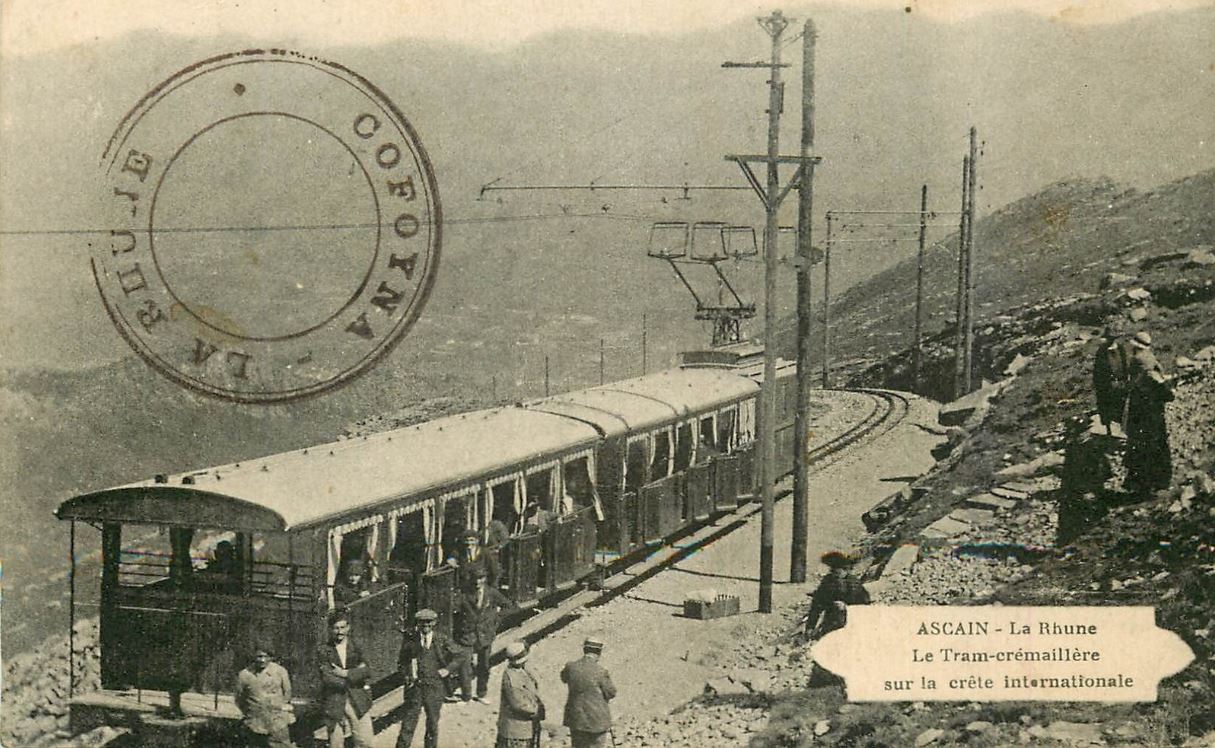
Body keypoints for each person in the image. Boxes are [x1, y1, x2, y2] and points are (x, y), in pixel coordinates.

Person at [396, 609, 459, 748]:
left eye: (429, 622)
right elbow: (401, 662)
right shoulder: (411, 640)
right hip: (415, 688)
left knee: (432, 724)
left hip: (435, 687)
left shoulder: (442, 639)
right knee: (408, 724)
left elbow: (459, 657)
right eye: (422, 622)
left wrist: (447, 670)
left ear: (434, 622)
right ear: (418, 623)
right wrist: (406, 676)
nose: (425, 625)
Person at [1123, 331, 1174, 497]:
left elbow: (1151, 380)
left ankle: (1144, 485)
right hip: (1153, 408)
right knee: (1157, 442)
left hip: (1144, 409)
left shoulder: (1139, 360)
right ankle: (1160, 481)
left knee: (1143, 444)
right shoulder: (1150, 357)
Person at [454, 569, 514, 702]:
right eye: (474, 578)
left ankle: (481, 693)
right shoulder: (464, 594)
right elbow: (454, 611)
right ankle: (466, 695)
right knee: (465, 666)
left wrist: (495, 621)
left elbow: (508, 606)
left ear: (485, 579)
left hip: (485, 635)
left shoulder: (491, 592)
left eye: (480, 578)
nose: (477, 582)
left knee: (484, 665)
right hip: (468, 635)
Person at [317, 613, 373, 748]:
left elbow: (368, 670)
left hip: (357, 699)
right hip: (335, 699)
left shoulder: (357, 645)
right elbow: (327, 677)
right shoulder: (324, 650)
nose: (339, 632)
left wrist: (345, 673)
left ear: (348, 628)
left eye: (342, 627)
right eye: (336, 628)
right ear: (330, 629)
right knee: (336, 743)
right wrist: (355, 675)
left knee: (365, 741)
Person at [234, 644, 296, 748]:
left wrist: (279, 708)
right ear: (253, 656)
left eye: (266, 657)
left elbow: (287, 693)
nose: (262, 660)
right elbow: (239, 699)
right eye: (259, 656)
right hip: (255, 722)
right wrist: (252, 712)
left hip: (277, 722)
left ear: (271, 658)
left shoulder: (280, 671)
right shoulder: (245, 675)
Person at [561, 637, 616, 748]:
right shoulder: (601, 671)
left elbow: (563, 678)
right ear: (598, 652)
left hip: (576, 719)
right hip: (597, 720)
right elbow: (611, 693)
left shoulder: (571, 667)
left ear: (584, 650)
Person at [803, 551, 870, 640]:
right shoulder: (827, 582)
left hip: (852, 623)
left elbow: (865, 606)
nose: (836, 574)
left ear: (845, 570)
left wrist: (846, 607)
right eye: (833, 571)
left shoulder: (854, 583)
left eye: (840, 571)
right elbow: (817, 605)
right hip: (831, 621)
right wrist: (810, 627)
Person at [497, 641, 544, 748]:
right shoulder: (511, 676)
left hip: (525, 729)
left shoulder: (522, 672)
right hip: (516, 731)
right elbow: (518, 703)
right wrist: (536, 710)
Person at [1093, 324, 1131, 435]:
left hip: (1121, 383)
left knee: (1121, 409)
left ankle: (1122, 432)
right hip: (1108, 385)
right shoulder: (1102, 352)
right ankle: (1110, 431)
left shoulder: (1120, 349)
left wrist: (1126, 380)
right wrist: (1103, 386)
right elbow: (1098, 371)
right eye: (1110, 338)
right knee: (1108, 409)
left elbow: (1125, 365)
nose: (1111, 341)